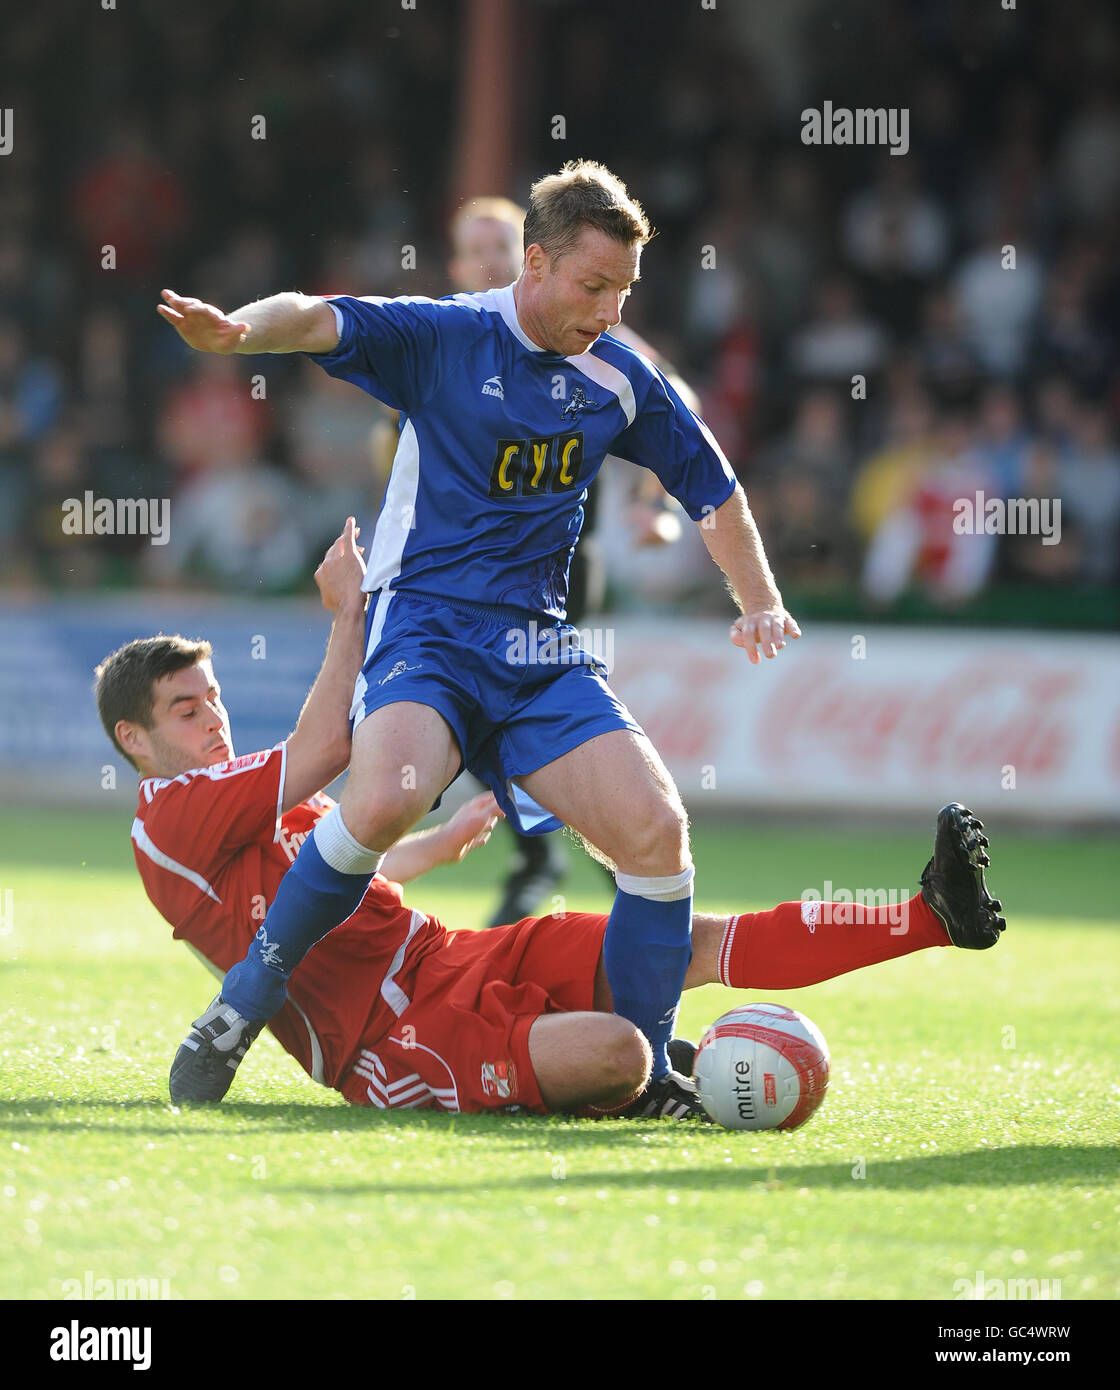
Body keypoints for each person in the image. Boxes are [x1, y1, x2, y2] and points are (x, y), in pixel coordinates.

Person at [155, 158, 806, 1113]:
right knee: (385, 796)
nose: (609, 309)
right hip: (427, 626)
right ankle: (240, 1007)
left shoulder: (621, 375)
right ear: (535, 264)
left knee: (658, 833)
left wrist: (760, 598)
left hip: (538, 650)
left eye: (624, 290)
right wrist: (237, 333)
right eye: (592, 286)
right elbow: (315, 313)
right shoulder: (445, 335)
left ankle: (649, 1068)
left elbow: (712, 489)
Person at [94, 522, 1007, 1119]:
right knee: (623, 1051)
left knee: (684, 941)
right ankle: (647, 1081)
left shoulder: (231, 801)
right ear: (134, 740)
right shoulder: (169, 815)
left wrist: (428, 847)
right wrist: (349, 617)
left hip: (447, 958)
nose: (212, 717)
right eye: (186, 710)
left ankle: (930, 917)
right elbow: (326, 747)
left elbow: (325, 883)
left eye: (211, 699)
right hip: (389, 1043)